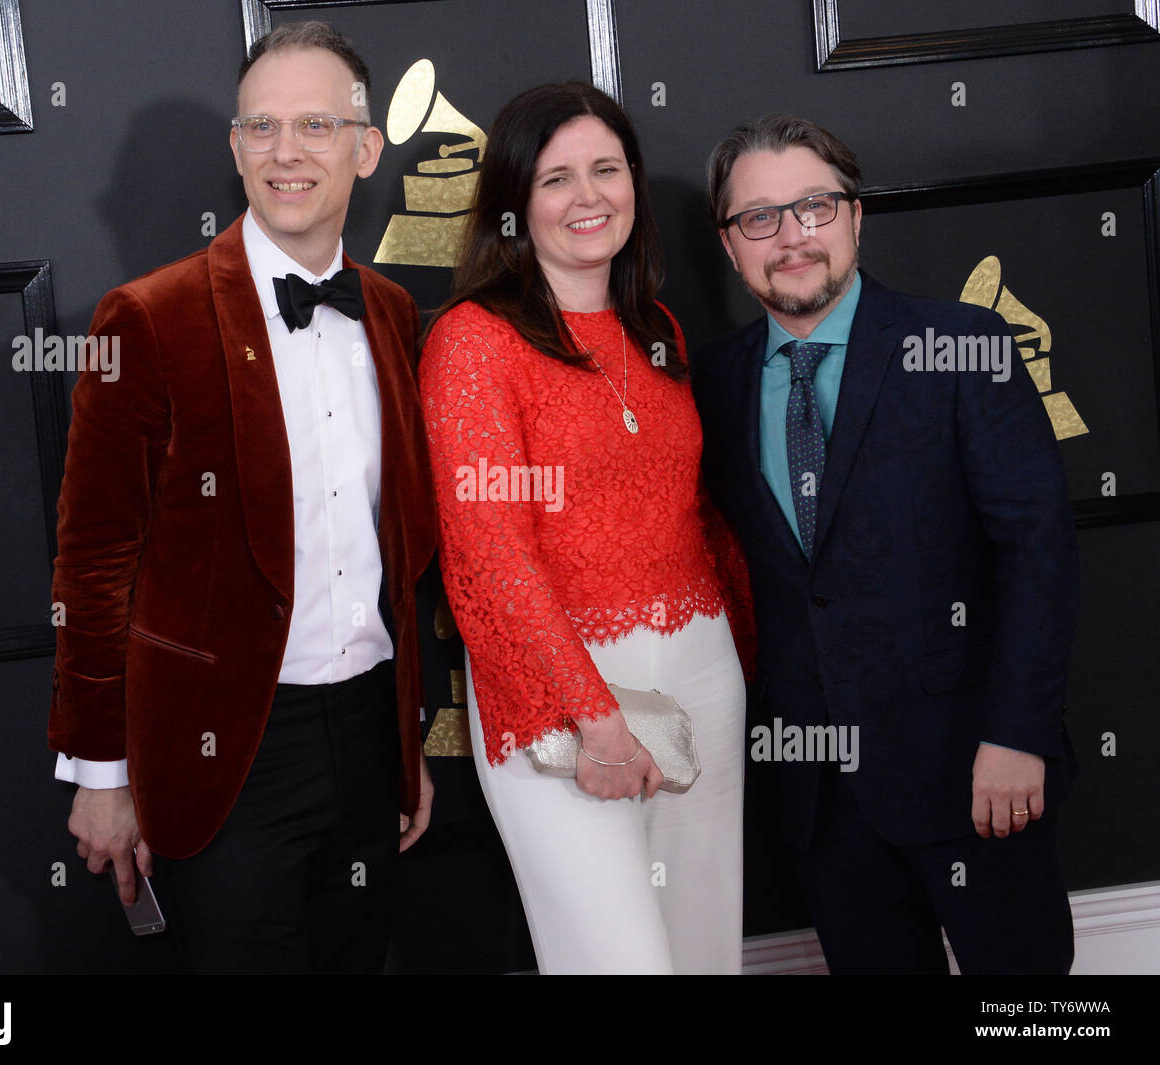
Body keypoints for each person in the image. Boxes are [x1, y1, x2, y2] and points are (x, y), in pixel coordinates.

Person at [47, 21, 437, 973]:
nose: (286, 152)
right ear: (235, 148)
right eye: (261, 128)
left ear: (366, 146)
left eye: (314, 124)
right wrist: (103, 771)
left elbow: (401, 551)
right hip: (230, 750)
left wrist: (404, 735)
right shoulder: (148, 316)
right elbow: (94, 561)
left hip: (366, 739)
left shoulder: (388, 312)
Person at [693, 114, 1078, 974]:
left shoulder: (964, 347)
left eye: (815, 207)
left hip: (978, 771)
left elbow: (1038, 553)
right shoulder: (709, 384)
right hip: (821, 792)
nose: (792, 238)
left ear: (856, 217)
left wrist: (1019, 734)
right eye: (759, 217)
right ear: (729, 245)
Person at [419, 81, 756, 974]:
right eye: (557, 177)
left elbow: (692, 512)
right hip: (563, 698)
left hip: (704, 679)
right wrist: (596, 717)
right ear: (515, 206)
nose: (588, 196)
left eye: (607, 169)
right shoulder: (474, 341)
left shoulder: (660, 330)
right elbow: (489, 550)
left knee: (704, 954)